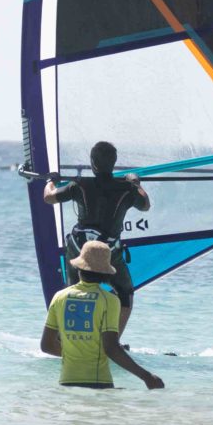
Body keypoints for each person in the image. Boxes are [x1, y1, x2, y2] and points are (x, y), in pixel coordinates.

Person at [43, 140, 150, 338]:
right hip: (108, 252)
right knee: (125, 296)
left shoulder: (80, 185)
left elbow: (49, 197)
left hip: (79, 248)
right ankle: (111, 341)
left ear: (92, 163)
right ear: (114, 163)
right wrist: (135, 183)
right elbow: (145, 205)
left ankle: (66, 337)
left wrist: (51, 180)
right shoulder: (127, 189)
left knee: (73, 291)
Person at [40, 241, 164, 390]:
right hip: (98, 384)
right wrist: (146, 376)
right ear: (105, 274)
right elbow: (111, 347)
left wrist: (75, 355)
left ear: (79, 268)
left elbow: (46, 345)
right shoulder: (109, 301)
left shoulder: (59, 297)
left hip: (67, 384)